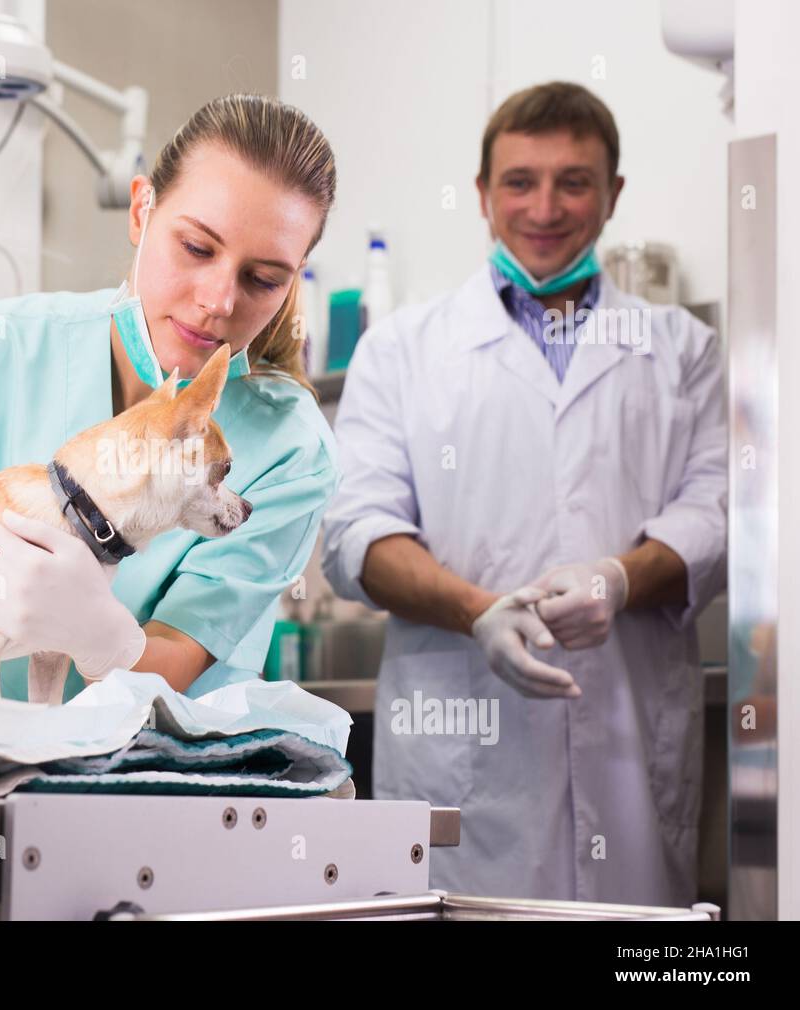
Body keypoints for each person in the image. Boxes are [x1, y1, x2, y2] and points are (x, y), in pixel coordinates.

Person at [321, 81, 727, 905]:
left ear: (613, 195)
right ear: (482, 194)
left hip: (628, 759)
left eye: (574, 181)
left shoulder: (683, 350)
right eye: (519, 181)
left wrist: (617, 578)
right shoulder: (401, 350)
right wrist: (479, 610)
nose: (544, 207)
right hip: (463, 768)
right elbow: (355, 532)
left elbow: (720, 511)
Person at [0, 94, 340, 709]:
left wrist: (102, 639)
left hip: (176, 785)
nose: (220, 300)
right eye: (197, 248)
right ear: (142, 211)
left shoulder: (291, 450)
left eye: (263, 279)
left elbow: (175, 659)